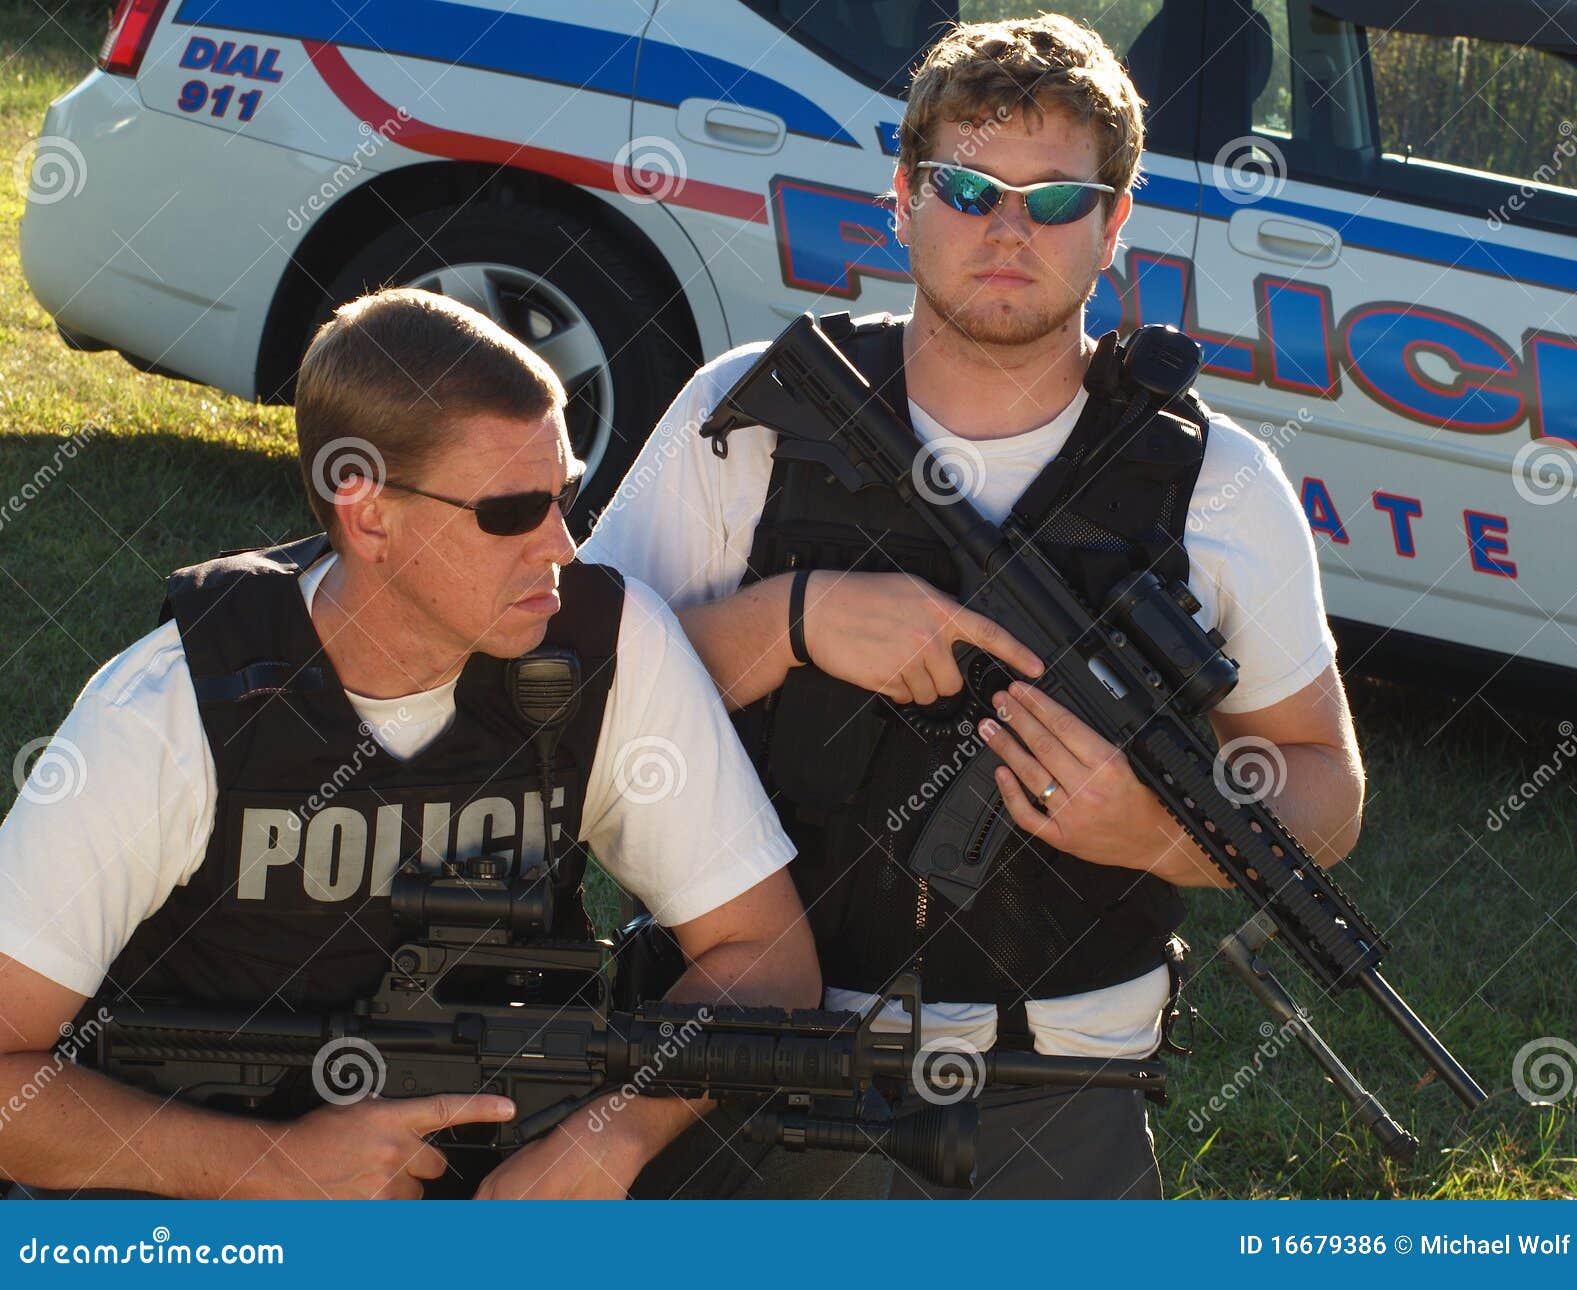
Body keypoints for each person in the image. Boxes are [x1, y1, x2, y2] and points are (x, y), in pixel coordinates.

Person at [582, 15, 1364, 1198]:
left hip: (1061, 1097)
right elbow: (559, 696)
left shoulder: (1218, 484)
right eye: (967, 188)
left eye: (1057, 200)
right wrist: (787, 620)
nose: (1009, 229)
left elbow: (1322, 789)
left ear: (1115, 224)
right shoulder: (745, 418)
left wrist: (1150, 830)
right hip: (742, 1059)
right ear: (902, 196)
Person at [0, 288, 819, 1201]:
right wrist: (271, 1171)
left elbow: (769, 954)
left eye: (567, 492)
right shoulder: (170, 710)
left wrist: (615, 1133)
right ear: (368, 512)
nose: (561, 543)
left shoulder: (610, 645)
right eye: (510, 512)